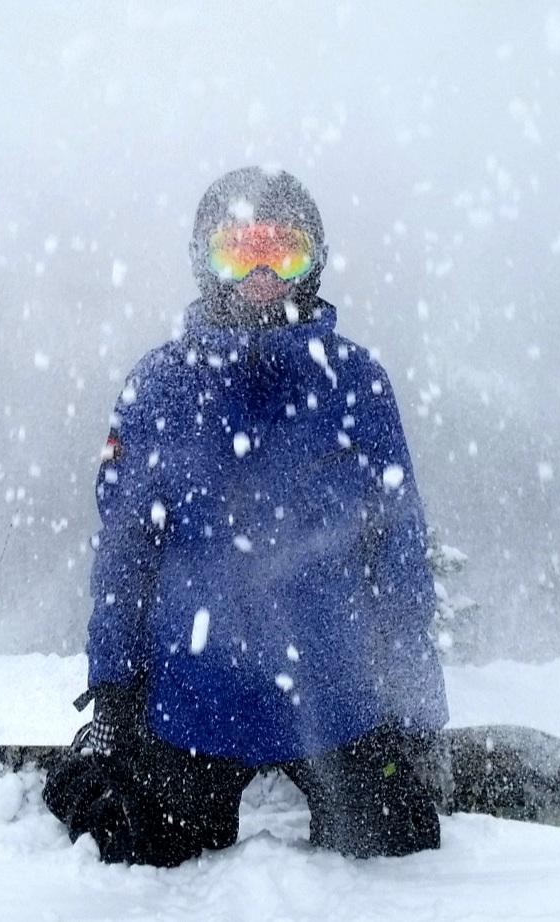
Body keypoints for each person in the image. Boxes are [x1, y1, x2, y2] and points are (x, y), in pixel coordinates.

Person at [43, 167, 448, 866]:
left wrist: (413, 714)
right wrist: (112, 694)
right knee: (138, 849)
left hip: (334, 704)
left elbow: (397, 553)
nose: (261, 273)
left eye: (281, 251)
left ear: (312, 262)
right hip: (197, 704)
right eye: (239, 252)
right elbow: (124, 557)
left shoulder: (356, 384)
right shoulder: (160, 386)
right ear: (205, 262)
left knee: (397, 850)